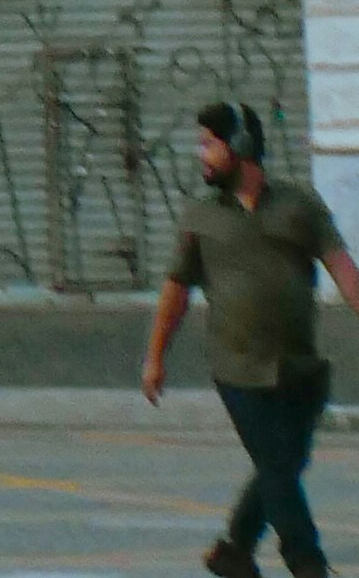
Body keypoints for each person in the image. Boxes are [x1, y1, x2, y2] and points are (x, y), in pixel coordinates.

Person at [146, 97, 359, 578]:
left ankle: (234, 551)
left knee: (281, 467)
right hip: (238, 371)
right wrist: (154, 358)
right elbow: (175, 293)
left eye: (208, 144)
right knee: (278, 470)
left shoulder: (299, 205)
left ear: (241, 146)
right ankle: (308, 564)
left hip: (300, 368)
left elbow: (343, 270)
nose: (200, 155)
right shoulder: (199, 218)